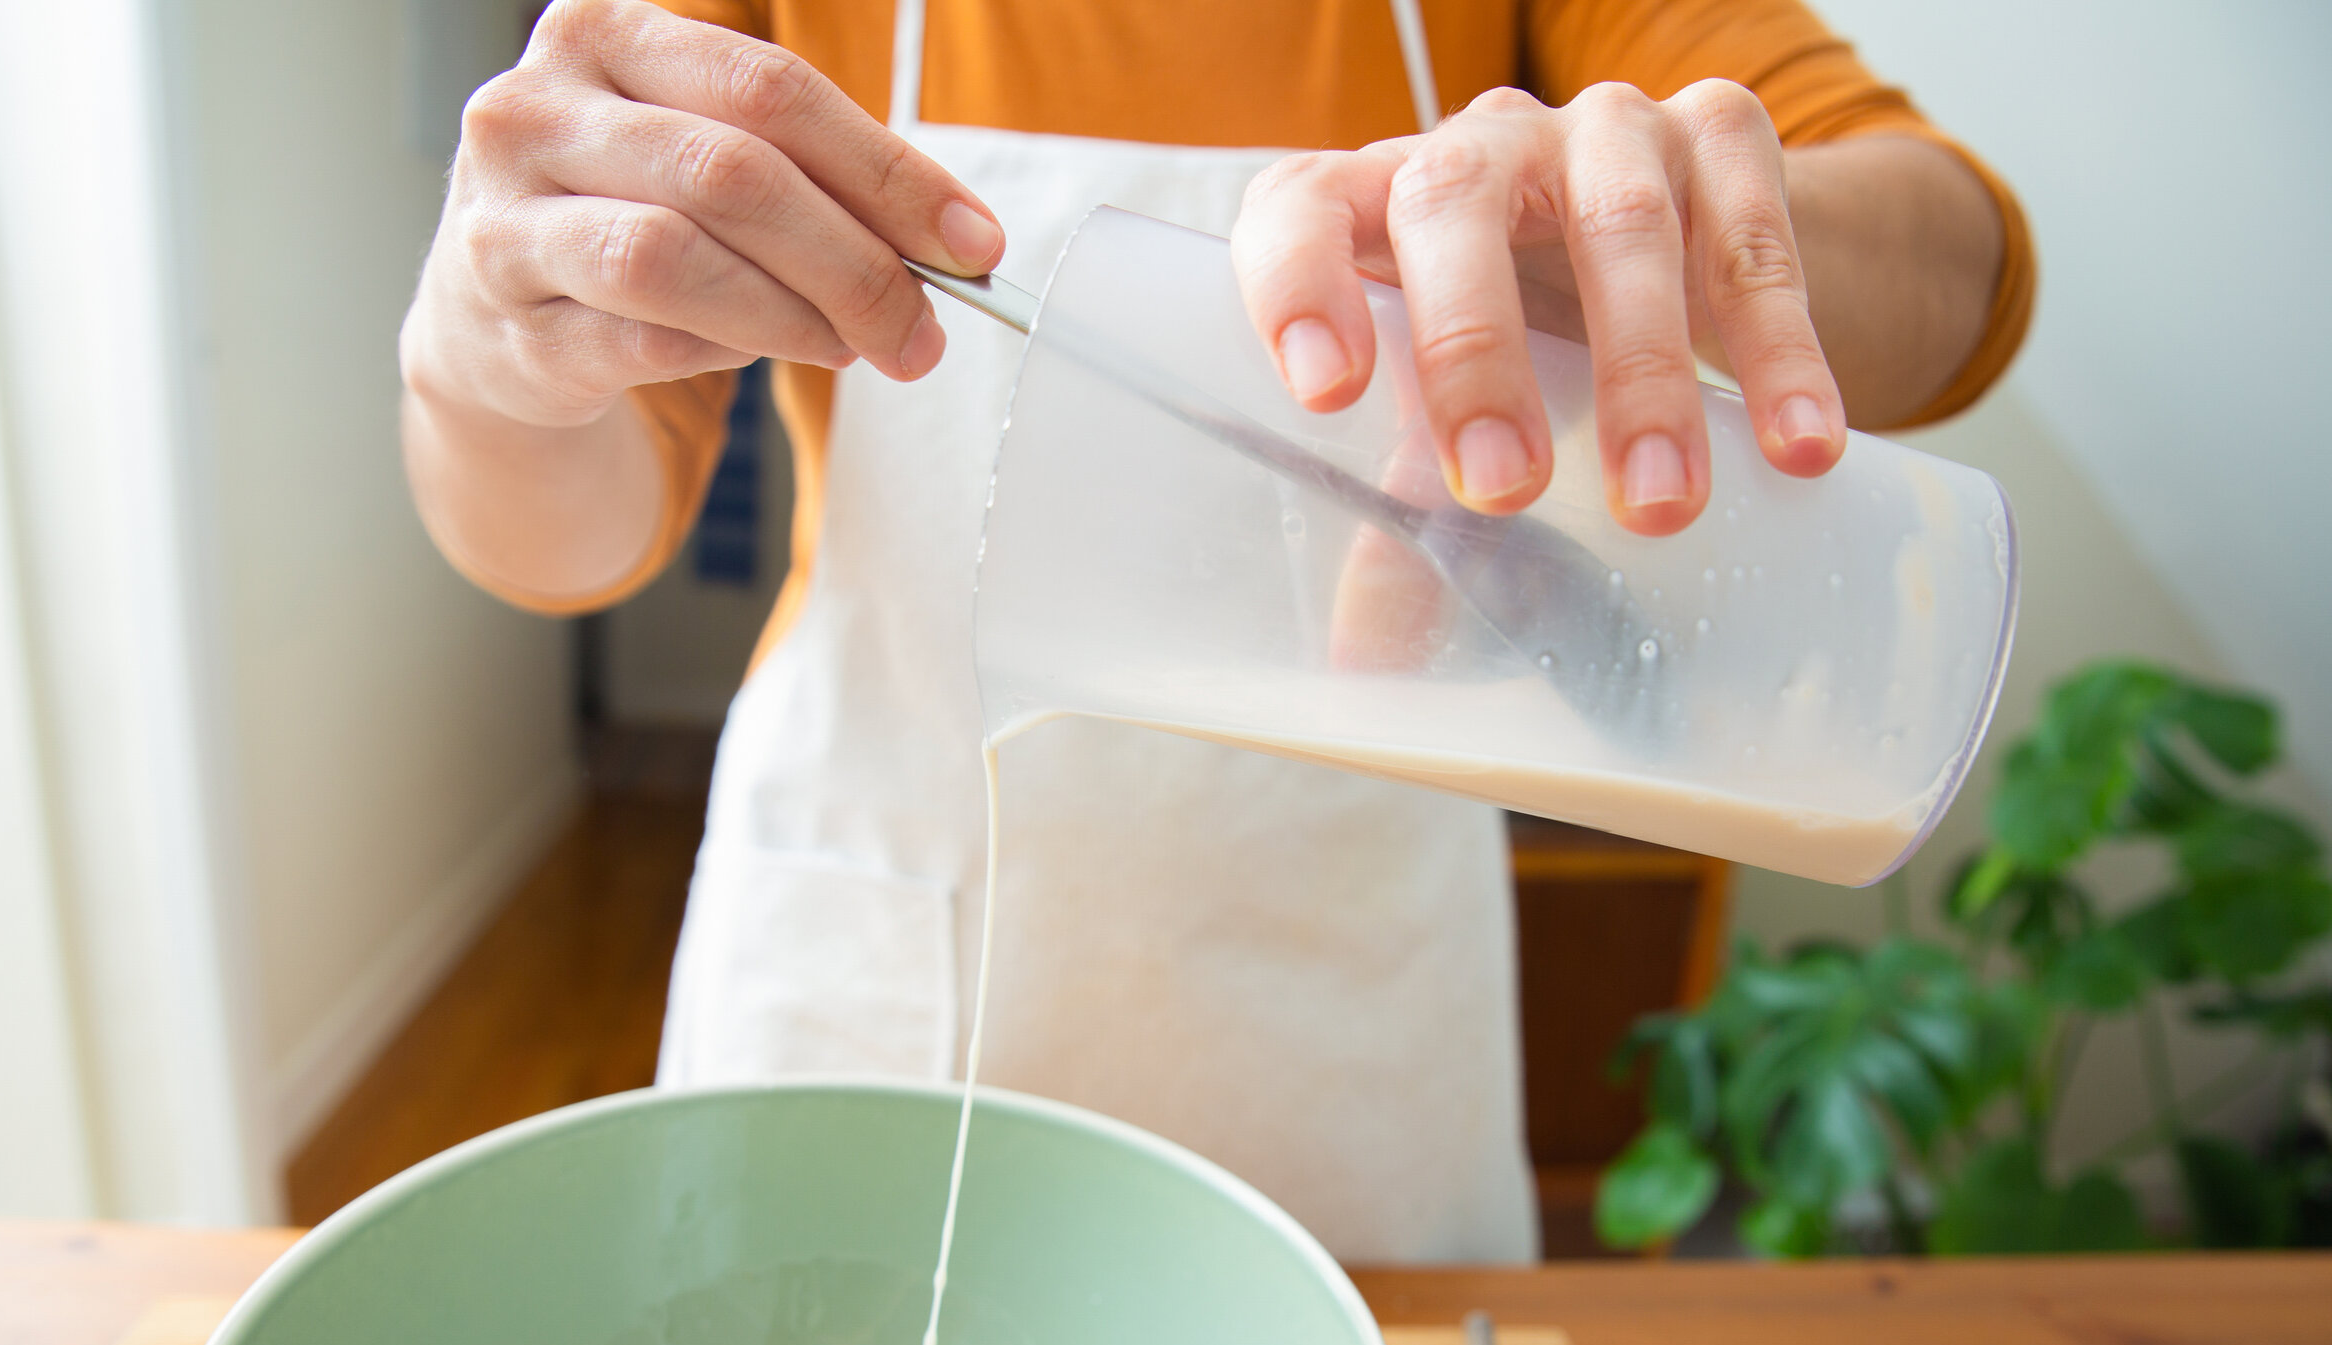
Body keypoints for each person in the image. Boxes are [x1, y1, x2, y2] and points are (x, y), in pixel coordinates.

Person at [399, 0, 2031, 1262]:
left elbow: (1955, 255)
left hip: (1346, 987)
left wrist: (1671, 233)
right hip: (886, 919)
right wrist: (486, 359)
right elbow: (572, 542)